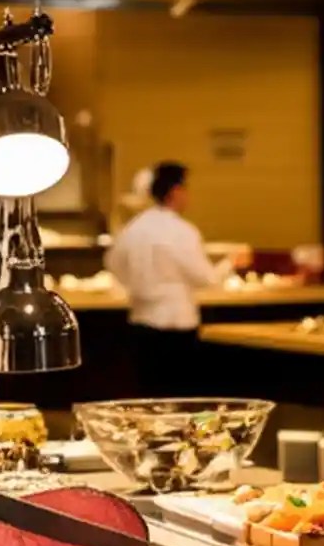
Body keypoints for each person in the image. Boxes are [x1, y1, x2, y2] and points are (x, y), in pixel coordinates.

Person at [104, 162, 244, 397]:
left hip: (141, 322)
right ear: (175, 191)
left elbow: (113, 264)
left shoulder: (133, 229)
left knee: (147, 399)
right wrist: (230, 263)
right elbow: (206, 278)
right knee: (179, 399)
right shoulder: (182, 231)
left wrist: (135, 285)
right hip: (177, 325)